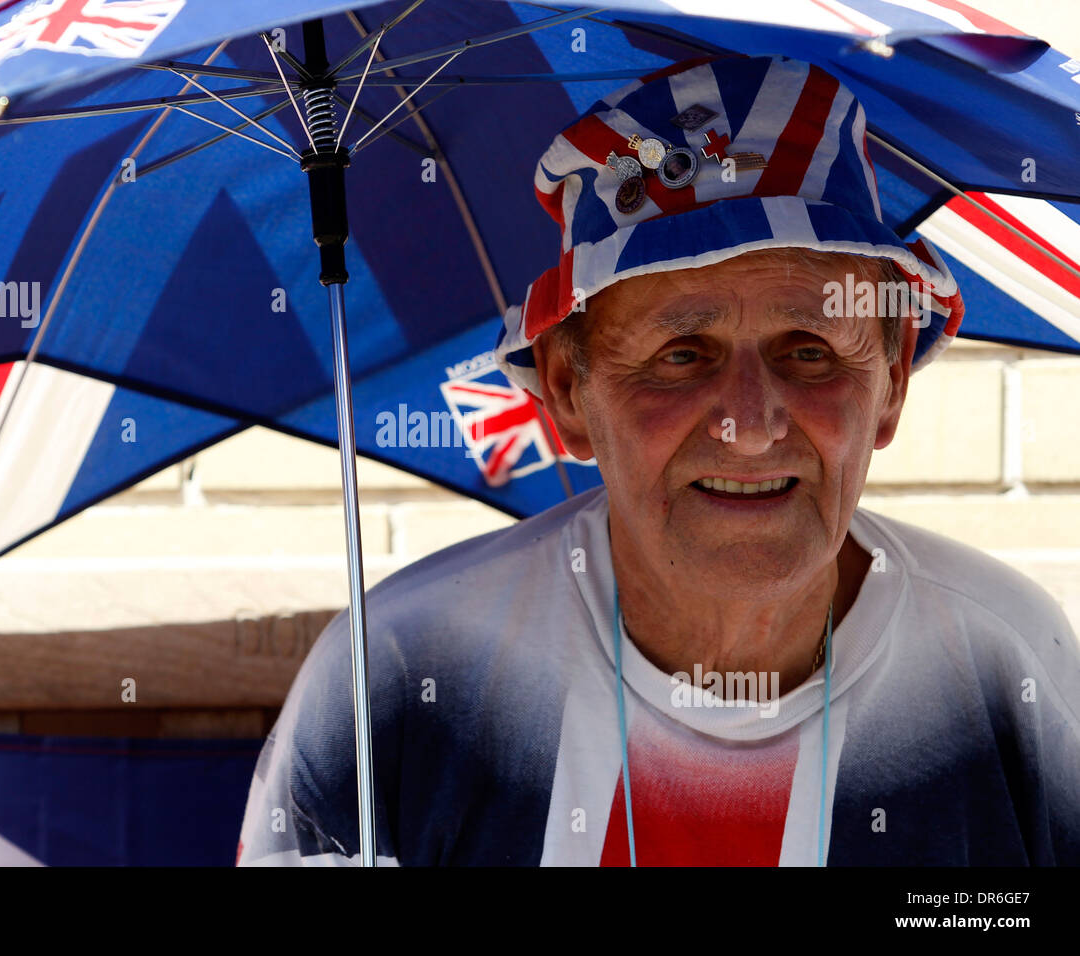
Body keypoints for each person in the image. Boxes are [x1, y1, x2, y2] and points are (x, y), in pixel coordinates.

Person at [236, 54, 1080, 866]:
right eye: (682, 353)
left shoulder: (1009, 671)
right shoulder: (401, 676)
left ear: (891, 381)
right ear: (569, 390)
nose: (750, 426)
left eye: (810, 350)